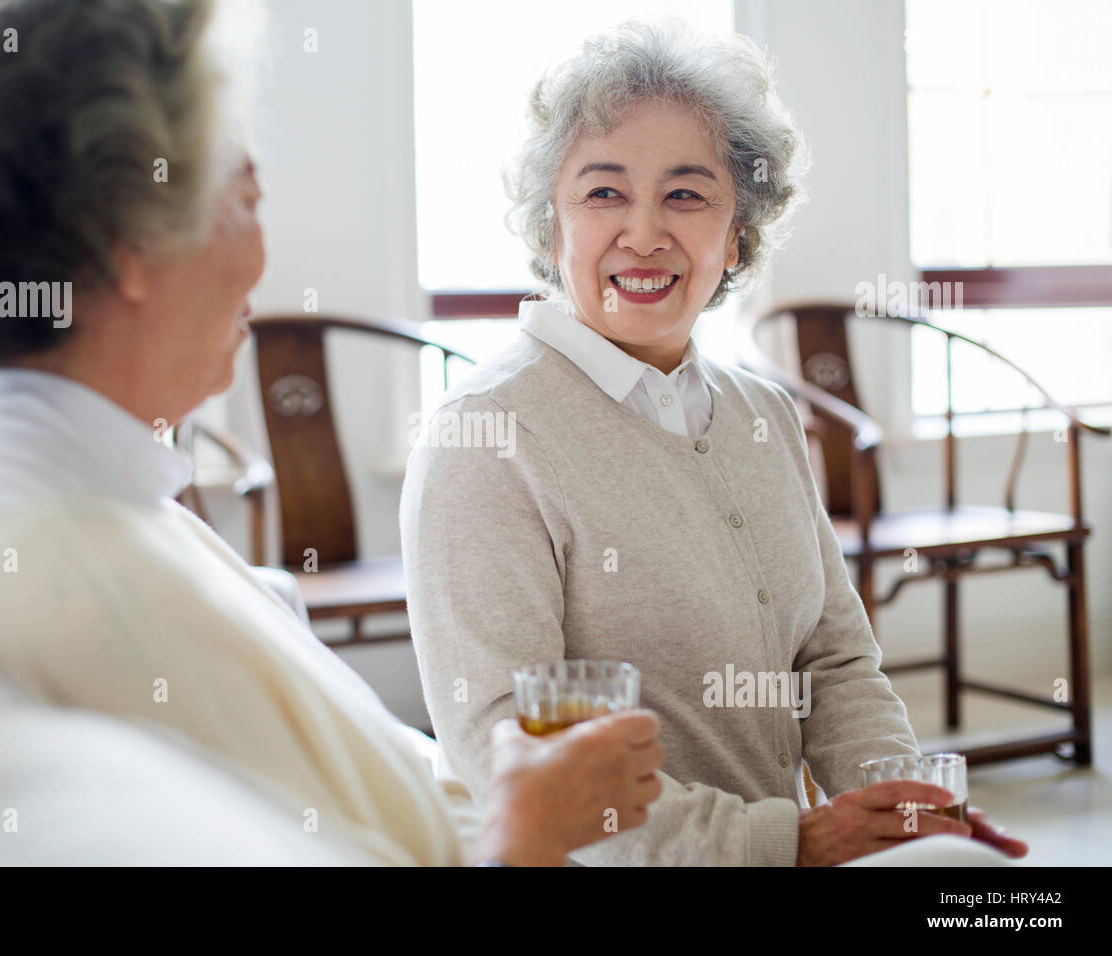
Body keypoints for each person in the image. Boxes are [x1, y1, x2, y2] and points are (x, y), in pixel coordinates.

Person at [0, 0, 665, 866]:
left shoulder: (87, 504)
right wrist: (531, 829)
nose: (263, 257)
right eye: (243, 193)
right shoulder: (69, 571)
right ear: (130, 244)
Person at [399, 19, 1027, 866]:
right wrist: (789, 842)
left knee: (984, 886)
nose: (647, 233)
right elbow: (504, 750)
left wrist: (896, 806)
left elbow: (833, 657)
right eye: (604, 193)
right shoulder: (484, 437)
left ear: (738, 234)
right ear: (553, 227)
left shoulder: (762, 413)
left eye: (688, 195)